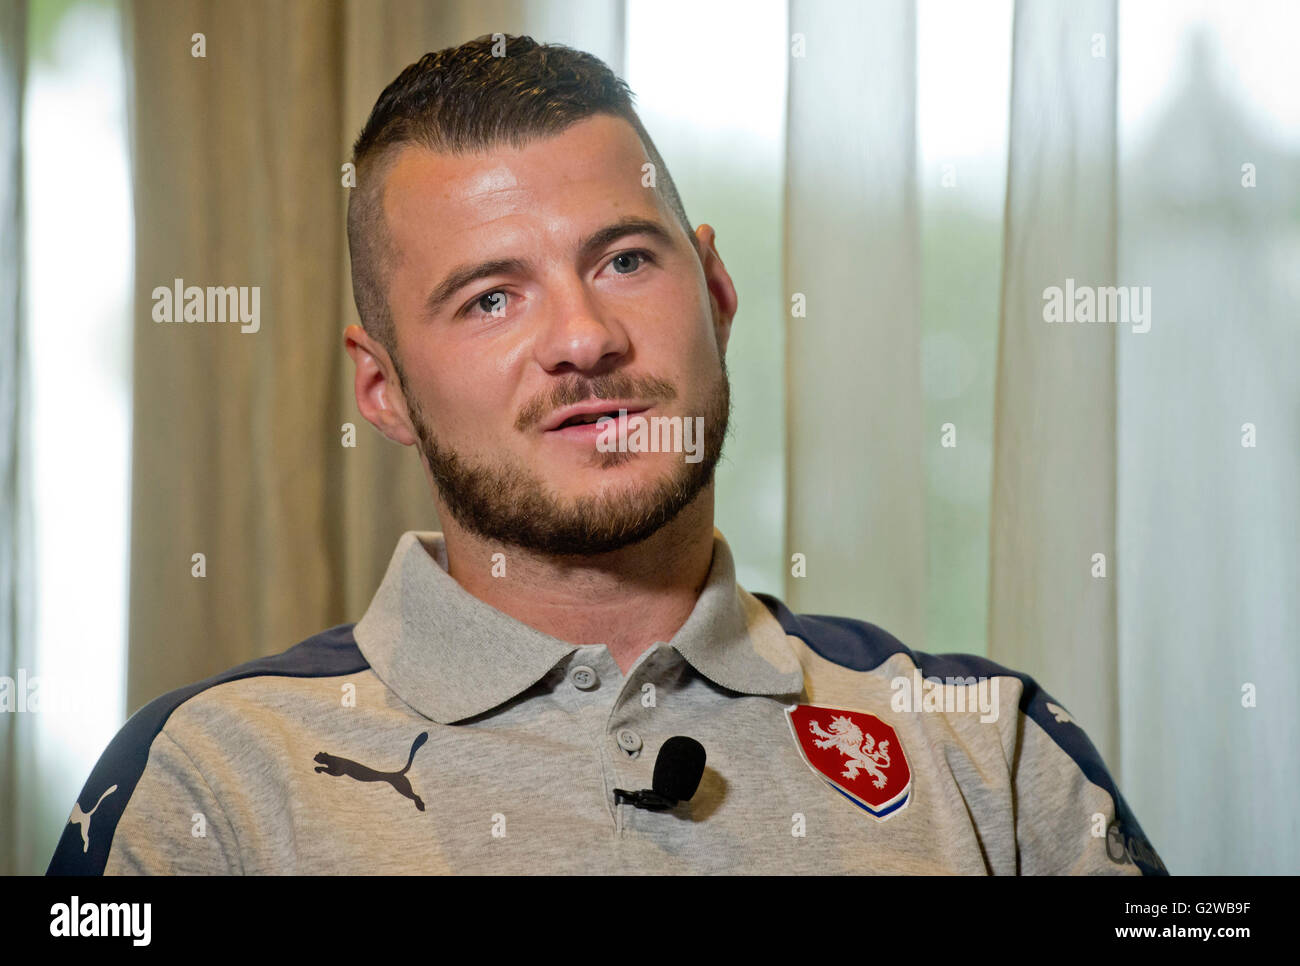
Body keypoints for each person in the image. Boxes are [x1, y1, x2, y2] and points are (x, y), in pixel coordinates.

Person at [48, 33, 1166, 875]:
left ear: (717, 291)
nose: (582, 338)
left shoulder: (992, 754)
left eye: (626, 261)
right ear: (382, 388)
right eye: (490, 299)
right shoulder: (206, 784)